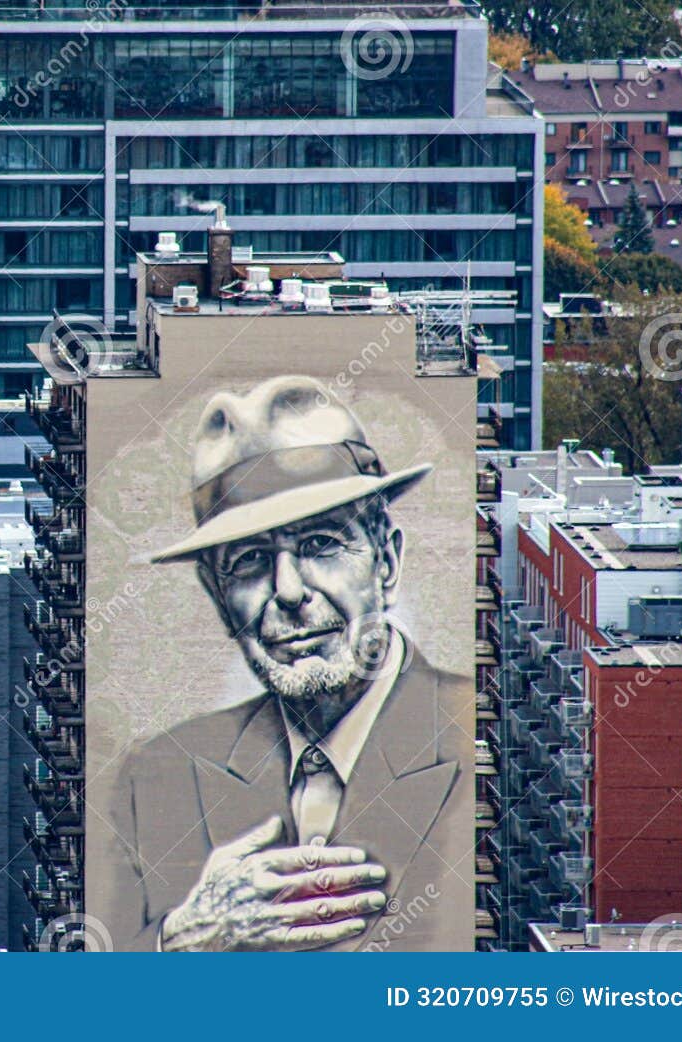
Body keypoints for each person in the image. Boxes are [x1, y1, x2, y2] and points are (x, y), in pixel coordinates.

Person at [98, 375, 472, 951]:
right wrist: (181, 944)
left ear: (387, 563)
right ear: (220, 600)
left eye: (321, 543)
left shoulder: (479, 745)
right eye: (249, 561)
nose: (289, 590)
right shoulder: (154, 777)